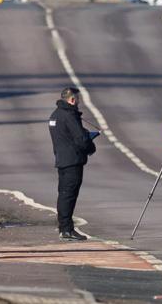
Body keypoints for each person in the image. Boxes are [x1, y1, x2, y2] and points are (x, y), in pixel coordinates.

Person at [49, 87, 96, 241]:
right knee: (69, 195)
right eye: (78, 99)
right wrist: (91, 147)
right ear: (72, 100)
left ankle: (64, 227)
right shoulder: (69, 116)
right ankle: (67, 229)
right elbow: (80, 138)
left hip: (61, 160)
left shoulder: (55, 115)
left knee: (64, 194)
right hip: (72, 161)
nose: (79, 102)